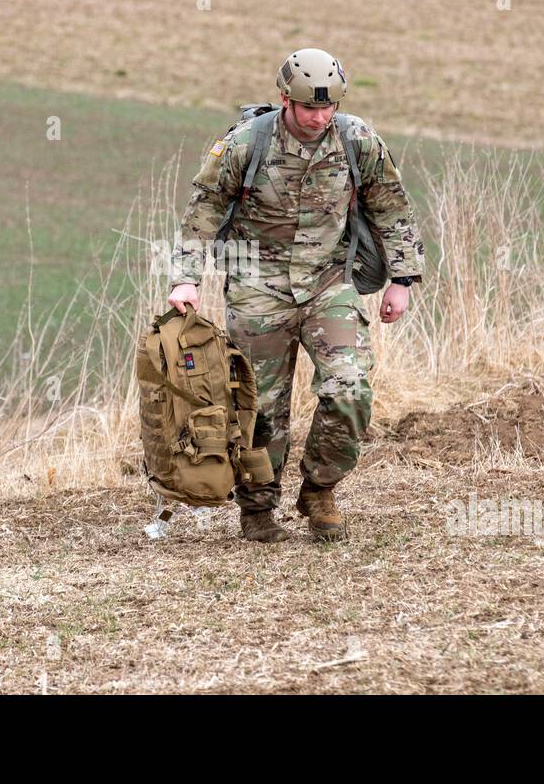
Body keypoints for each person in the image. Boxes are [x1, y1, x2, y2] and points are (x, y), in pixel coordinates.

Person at [166, 48, 425, 543]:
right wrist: (186, 279)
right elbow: (202, 210)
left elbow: (392, 208)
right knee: (261, 407)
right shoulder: (246, 144)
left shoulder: (357, 141)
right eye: (309, 107)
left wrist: (402, 279)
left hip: (329, 283)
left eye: (328, 108)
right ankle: (258, 509)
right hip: (257, 286)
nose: (319, 117)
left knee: (350, 388)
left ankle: (320, 490)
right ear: (285, 99)